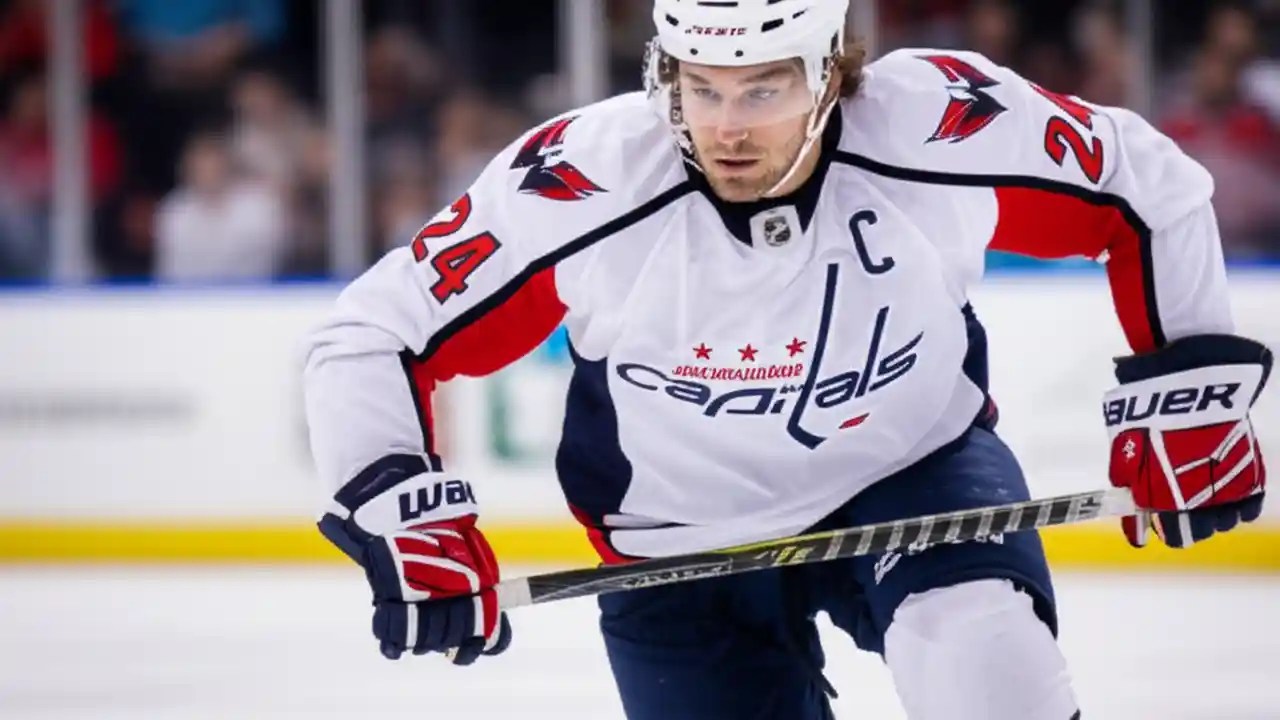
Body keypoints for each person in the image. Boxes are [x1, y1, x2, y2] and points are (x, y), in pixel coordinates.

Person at [302, 2, 1272, 718]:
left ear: (831, 71)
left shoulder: (939, 120)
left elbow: (1144, 184)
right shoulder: (577, 183)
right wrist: (397, 506)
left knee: (988, 673)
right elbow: (372, 335)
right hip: (673, 538)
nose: (725, 124)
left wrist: (1185, 384)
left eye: (763, 86)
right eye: (701, 84)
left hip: (916, 476)